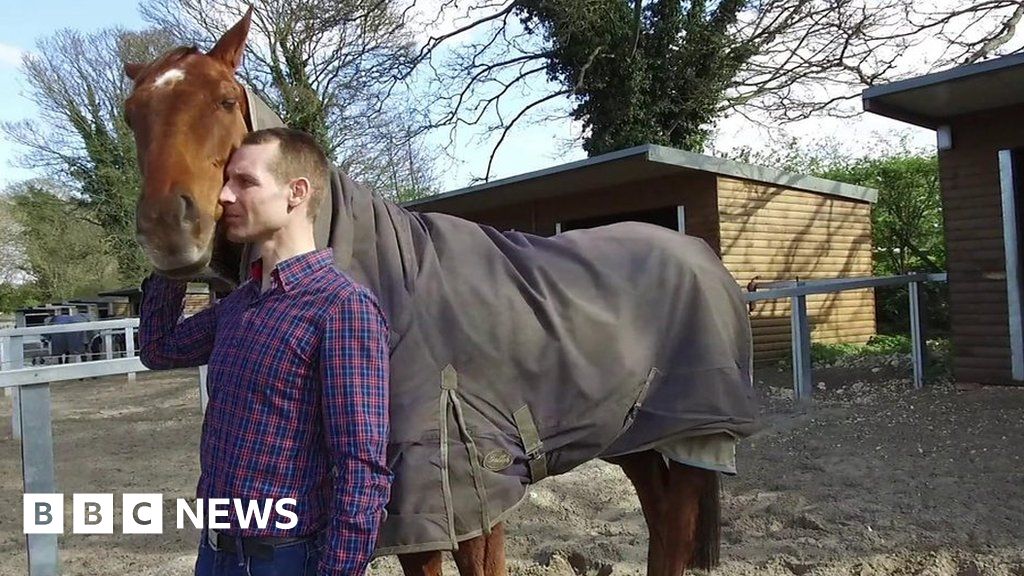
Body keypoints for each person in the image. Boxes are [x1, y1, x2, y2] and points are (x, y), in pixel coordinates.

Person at [138, 127, 392, 576]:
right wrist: (172, 252)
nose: (224, 197)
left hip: (285, 558)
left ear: (296, 193)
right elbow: (158, 349)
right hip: (215, 550)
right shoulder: (241, 304)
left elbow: (361, 470)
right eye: (225, 182)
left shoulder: (341, 307)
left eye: (245, 182)